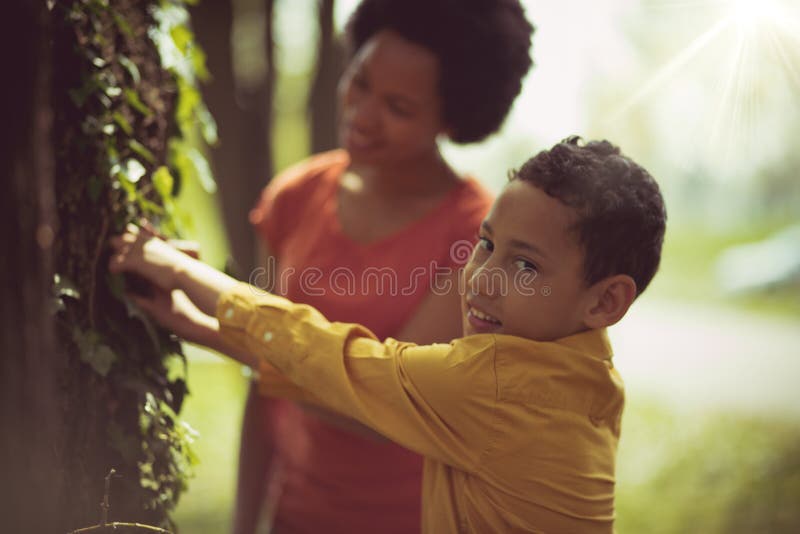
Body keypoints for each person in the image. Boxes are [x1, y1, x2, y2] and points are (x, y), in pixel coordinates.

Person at [109, 136, 668, 533]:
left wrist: (181, 270)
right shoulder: (585, 374)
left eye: (525, 267)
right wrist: (196, 326)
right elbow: (345, 378)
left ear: (606, 300)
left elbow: (333, 357)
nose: (483, 280)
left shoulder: (495, 385)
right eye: (486, 244)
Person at [236, 0, 534, 532]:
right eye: (361, 81)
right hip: (294, 515)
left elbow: (391, 404)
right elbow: (261, 395)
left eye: (399, 107)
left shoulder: (476, 236)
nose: (363, 114)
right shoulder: (294, 197)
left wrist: (226, 327)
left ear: (453, 119)